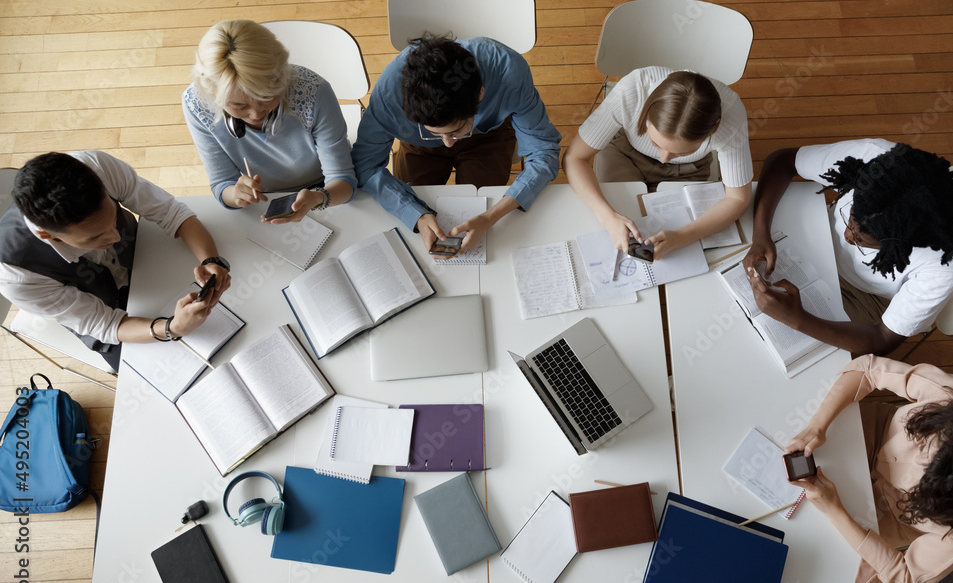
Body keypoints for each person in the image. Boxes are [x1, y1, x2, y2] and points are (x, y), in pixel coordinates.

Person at [785, 355, 953, 583]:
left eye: (928, 473)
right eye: (924, 439)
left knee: (804, 541)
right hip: (868, 430)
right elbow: (868, 369)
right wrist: (818, 425)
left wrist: (836, 512)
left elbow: (908, 579)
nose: (916, 458)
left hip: (888, 513)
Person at [742, 139, 953, 355]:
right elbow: (783, 161)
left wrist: (798, 320)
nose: (846, 235)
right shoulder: (875, 164)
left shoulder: (946, 267)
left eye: (859, 239)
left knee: (774, 349)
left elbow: (882, 339)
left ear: (900, 245)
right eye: (850, 220)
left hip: (868, 297)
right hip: (816, 238)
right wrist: (761, 232)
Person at [0, 151, 233, 371]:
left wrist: (210, 259)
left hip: (142, 258)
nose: (116, 236)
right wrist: (172, 328)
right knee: (168, 373)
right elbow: (105, 324)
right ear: (47, 235)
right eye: (95, 237)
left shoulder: (96, 166)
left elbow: (170, 211)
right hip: (102, 311)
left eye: (112, 218)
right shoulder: (15, 276)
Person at [351, 36, 561, 258]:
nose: (448, 143)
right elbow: (365, 165)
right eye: (438, 132)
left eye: (454, 132)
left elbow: (544, 151)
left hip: (488, 137)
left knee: (481, 208)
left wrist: (490, 216)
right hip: (418, 143)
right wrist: (415, 215)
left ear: (480, 94)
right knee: (408, 210)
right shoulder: (388, 96)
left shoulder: (509, 72)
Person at [564, 67, 753, 258]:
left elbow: (738, 198)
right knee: (618, 217)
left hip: (689, 169)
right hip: (625, 152)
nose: (664, 159)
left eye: (681, 152)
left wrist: (683, 236)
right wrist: (607, 216)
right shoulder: (631, 91)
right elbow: (574, 158)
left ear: (714, 128)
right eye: (655, 142)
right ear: (646, 112)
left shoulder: (732, 117)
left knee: (674, 239)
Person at [183, 19, 356, 223]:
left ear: (283, 78)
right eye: (238, 106)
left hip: (323, 187)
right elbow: (222, 184)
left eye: (266, 98)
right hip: (263, 200)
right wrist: (235, 194)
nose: (256, 115)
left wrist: (319, 197)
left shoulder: (315, 92)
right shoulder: (196, 105)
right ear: (213, 96)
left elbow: (344, 182)